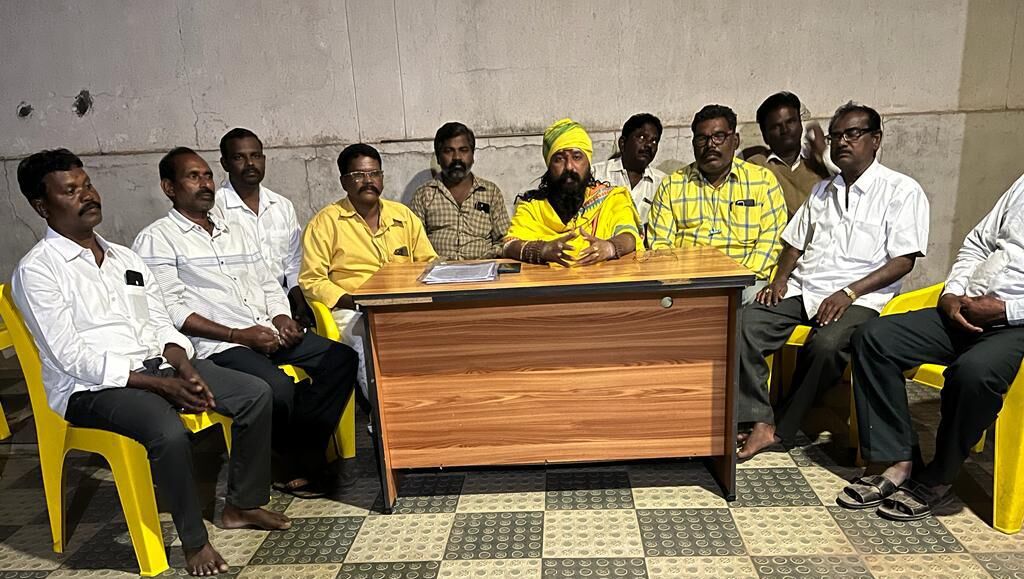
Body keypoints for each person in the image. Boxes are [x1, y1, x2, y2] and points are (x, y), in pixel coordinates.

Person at [12, 149, 289, 576]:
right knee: (166, 430)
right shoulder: (38, 272)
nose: (87, 196)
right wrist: (159, 385)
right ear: (42, 206)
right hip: (93, 389)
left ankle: (242, 504)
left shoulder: (125, 258)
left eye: (87, 185)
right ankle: (195, 543)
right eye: (71, 191)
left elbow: (158, 321)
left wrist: (184, 365)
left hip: (156, 369)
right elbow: (70, 356)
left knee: (254, 393)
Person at [133, 147, 359, 498]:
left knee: (341, 359)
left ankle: (297, 452)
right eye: (193, 177)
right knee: (278, 388)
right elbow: (172, 311)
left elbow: (268, 281)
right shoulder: (156, 239)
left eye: (207, 176)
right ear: (169, 187)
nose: (205, 184)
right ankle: (294, 461)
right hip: (220, 345)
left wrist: (282, 317)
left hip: (265, 329)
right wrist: (240, 334)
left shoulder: (233, 229)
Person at [736, 102, 930, 460]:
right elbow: (794, 244)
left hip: (861, 297)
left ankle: (782, 426)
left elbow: (903, 261)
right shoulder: (823, 190)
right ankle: (757, 420)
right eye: (836, 135)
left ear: (876, 139)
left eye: (852, 134)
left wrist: (849, 291)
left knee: (826, 346)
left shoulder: (901, 191)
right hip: (805, 288)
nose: (842, 142)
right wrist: (779, 280)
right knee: (745, 324)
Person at [839, 172, 1024, 521]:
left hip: (1015, 323)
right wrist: (952, 294)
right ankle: (898, 459)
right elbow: (978, 244)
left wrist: (1007, 310)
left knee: (973, 373)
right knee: (872, 337)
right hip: (968, 306)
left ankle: (940, 476)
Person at [299, 144, 436, 399]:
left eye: (374, 174)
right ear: (344, 182)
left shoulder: (403, 216)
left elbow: (428, 263)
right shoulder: (326, 222)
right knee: (369, 349)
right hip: (352, 311)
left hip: (403, 306)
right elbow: (312, 280)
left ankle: (427, 408)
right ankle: (385, 417)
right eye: (358, 175)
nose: (368, 181)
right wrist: (354, 301)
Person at [649, 105, 788, 303]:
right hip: (687, 285)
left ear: (735, 140)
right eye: (702, 138)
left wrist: (738, 279)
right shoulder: (672, 186)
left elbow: (772, 241)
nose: (710, 145)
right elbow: (660, 248)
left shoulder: (763, 181)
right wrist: (689, 282)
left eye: (719, 136)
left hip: (746, 284)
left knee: (755, 304)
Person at [502, 118, 641, 266]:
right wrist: (542, 250)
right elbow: (510, 245)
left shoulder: (611, 199)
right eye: (559, 159)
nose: (569, 167)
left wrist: (610, 247)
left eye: (576, 157)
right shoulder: (533, 207)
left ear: (588, 163)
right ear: (549, 166)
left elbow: (630, 236)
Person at [214, 128, 309, 323]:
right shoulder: (215, 209)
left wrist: (300, 304)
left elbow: (293, 263)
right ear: (225, 163)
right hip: (240, 309)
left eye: (255, 156)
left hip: (283, 304)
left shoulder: (282, 206)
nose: (250, 164)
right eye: (239, 157)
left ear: (264, 159)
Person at [410, 122, 511, 260]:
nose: (457, 157)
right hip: (438, 274)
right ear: (439, 158)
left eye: (463, 150)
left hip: (483, 273)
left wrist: (485, 261)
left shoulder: (491, 193)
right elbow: (414, 244)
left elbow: (504, 239)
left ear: (473, 155)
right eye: (448, 151)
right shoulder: (424, 194)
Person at [746, 92, 831, 217]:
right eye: (776, 126)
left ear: (801, 125)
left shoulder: (821, 160)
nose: (785, 130)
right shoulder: (756, 166)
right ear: (765, 136)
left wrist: (825, 154)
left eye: (790, 122)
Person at [591, 113, 667, 241]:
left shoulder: (663, 183)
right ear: (622, 143)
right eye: (642, 138)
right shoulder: (595, 175)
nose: (649, 145)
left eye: (654, 141)